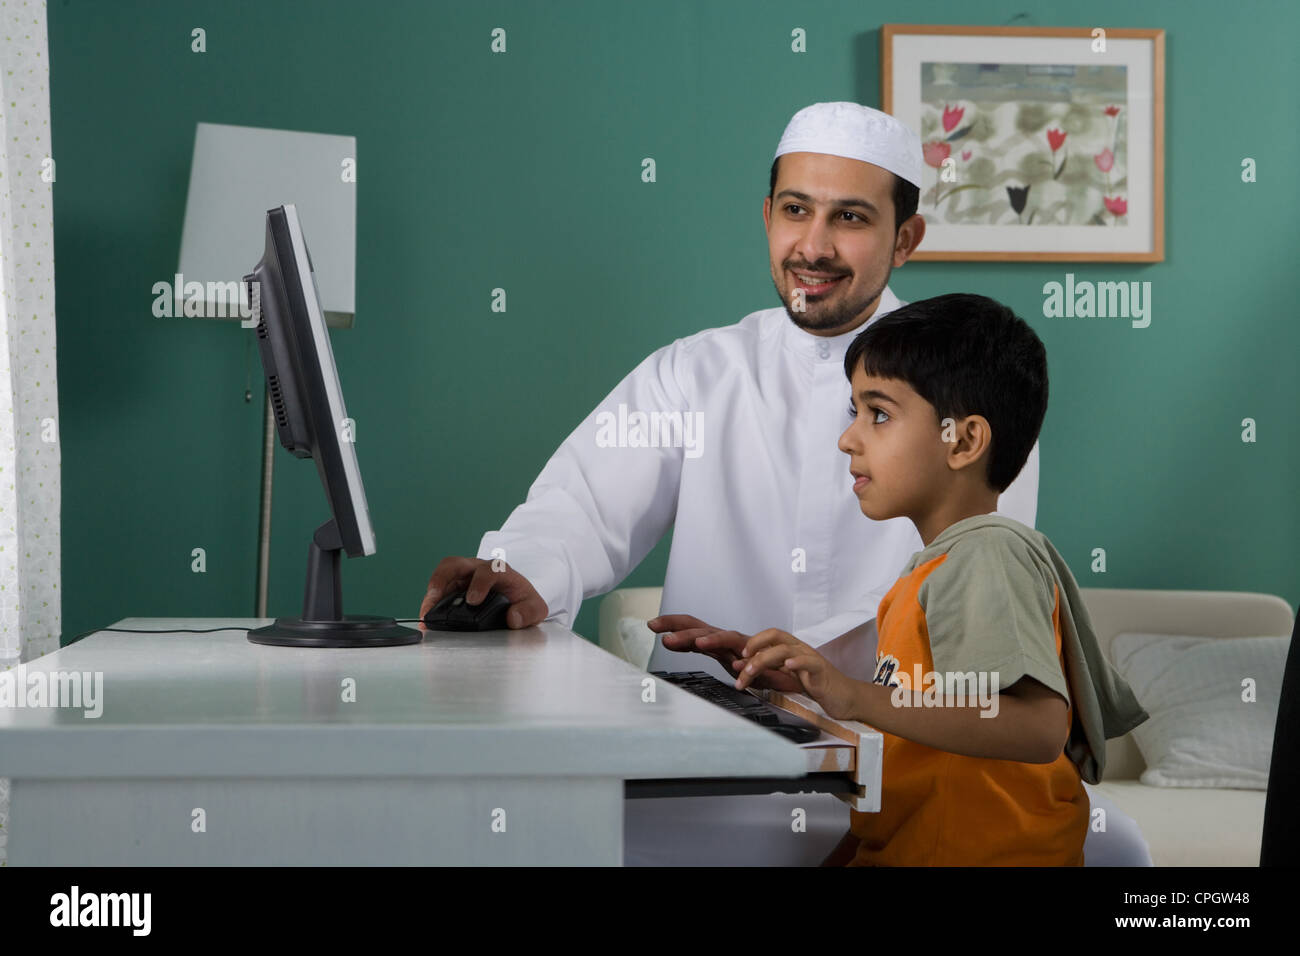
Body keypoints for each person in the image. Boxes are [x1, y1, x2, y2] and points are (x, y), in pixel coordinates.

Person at [420, 101, 1149, 865]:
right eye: (796, 210)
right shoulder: (692, 374)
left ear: (906, 238)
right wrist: (517, 575)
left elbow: (971, 628)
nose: (814, 245)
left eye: (852, 218)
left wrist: (832, 690)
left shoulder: (968, 403)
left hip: (893, 764)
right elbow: (578, 508)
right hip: (704, 757)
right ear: (768, 215)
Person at [732, 292, 1150, 865]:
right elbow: (919, 763)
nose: (848, 438)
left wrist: (854, 696)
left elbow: (1037, 728)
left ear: (966, 441)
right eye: (853, 412)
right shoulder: (931, 571)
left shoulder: (988, 555)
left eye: (878, 414)